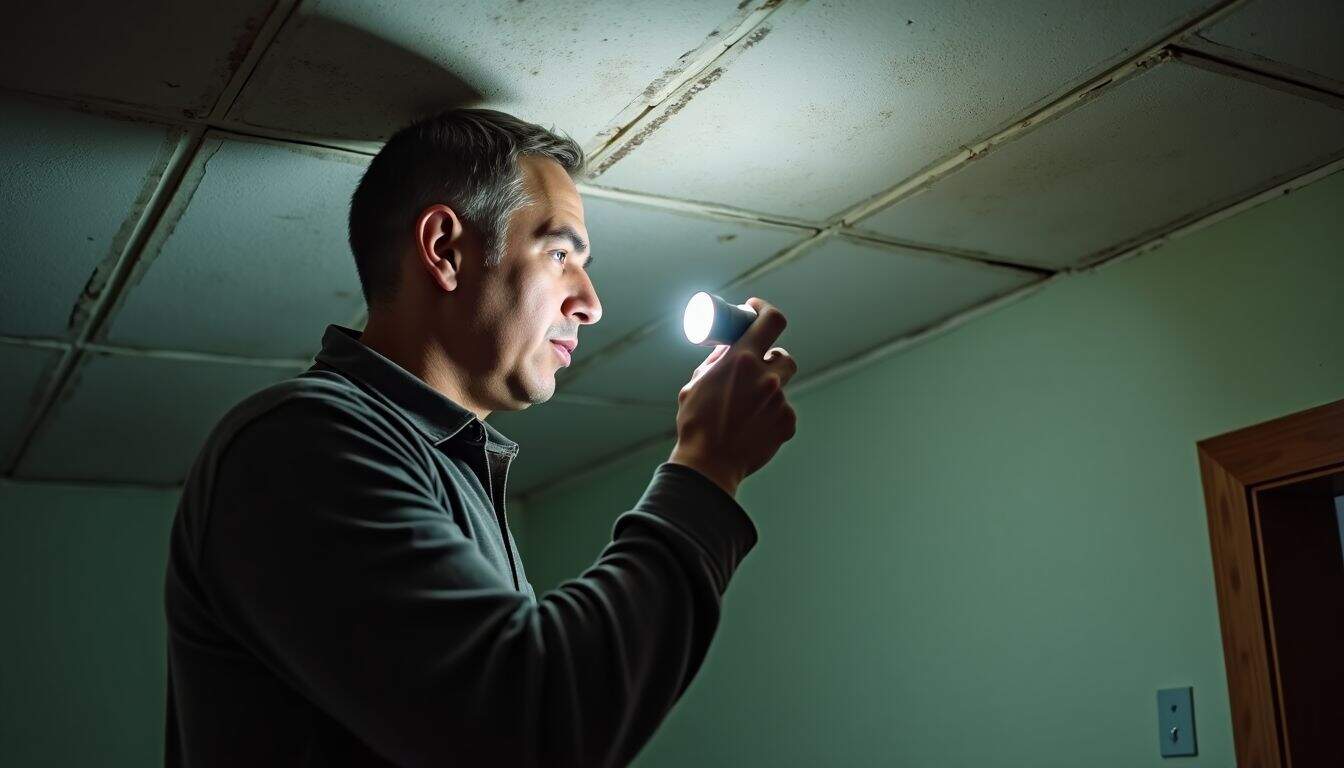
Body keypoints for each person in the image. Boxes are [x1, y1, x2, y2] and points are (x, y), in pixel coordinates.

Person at [163, 108, 797, 767]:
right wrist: (705, 471)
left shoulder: (445, 465)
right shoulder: (298, 446)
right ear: (445, 249)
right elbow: (531, 729)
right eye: (559, 253)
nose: (591, 302)